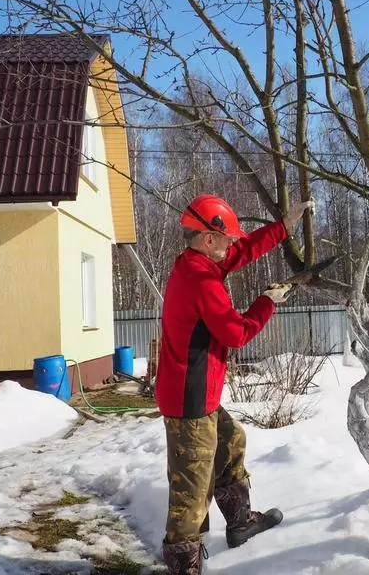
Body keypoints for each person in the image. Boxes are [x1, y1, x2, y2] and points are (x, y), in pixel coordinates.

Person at [155, 194, 312, 575]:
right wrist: (267, 302)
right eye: (226, 238)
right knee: (190, 494)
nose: (231, 245)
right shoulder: (201, 280)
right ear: (209, 238)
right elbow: (236, 334)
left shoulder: (197, 264)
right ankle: (183, 565)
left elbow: (240, 253)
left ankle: (240, 523)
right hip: (189, 401)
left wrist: (282, 229)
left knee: (231, 440)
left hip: (198, 394)